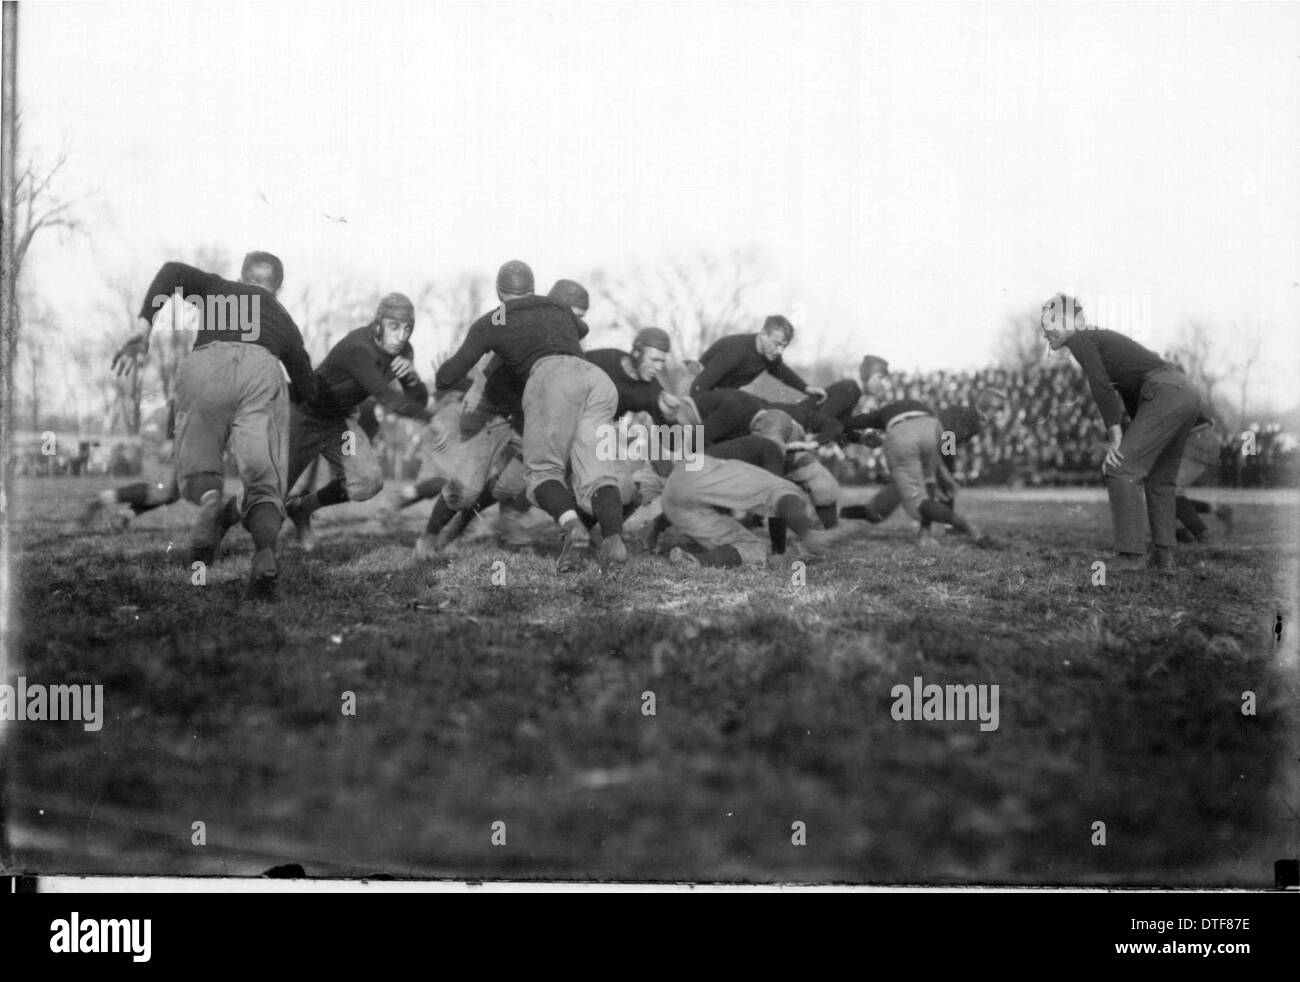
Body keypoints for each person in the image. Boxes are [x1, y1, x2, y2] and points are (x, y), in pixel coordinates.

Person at [120, 251, 316, 600]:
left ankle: (210, 497)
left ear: (242, 277)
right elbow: (307, 386)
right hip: (261, 371)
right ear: (279, 289)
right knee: (264, 483)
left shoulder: (217, 288)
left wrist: (144, 325)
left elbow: (171, 271)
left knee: (198, 467)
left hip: (205, 366)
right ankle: (265, 552)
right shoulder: (283, 318)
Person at [434, 261, 630, 568]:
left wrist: (444, 373)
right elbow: (581, 327)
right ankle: (614, 539)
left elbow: (448, 376)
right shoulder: (556, 310)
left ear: (499, 292)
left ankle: (571, 525)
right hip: (593, 380)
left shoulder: (495, 320)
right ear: (534, 288)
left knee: (541, 474)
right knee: (597, 474)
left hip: (549, 388)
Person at [1040, 293, 1202, 572]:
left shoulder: (1079, 338)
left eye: (1050, 325)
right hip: (1185, 393)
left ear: (1068, 321)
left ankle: (1130, 556)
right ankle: (1164, 559)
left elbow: (1100, 384)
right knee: (1160, 480)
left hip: (1164, 393)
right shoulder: (1101, 341)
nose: (1046, 334)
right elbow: (1134, 401)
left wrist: (1116, 438)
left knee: (1120, 469)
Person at [284, 293, 431, 550]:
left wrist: (412, 379)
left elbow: (418, 399)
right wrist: (433, 420)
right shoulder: (358, 348)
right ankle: (214, 531)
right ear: (378, 325)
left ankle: (301, 509)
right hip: (304, 416)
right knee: (270, 491)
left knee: (366, 482)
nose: (402, 336)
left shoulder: (404, 351)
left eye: (408, 328)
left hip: (338, 422)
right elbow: (388, 399)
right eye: (394, 327)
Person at [838, 356, 982, 544]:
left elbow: (854, 422)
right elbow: (946, 441)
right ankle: (926, 532)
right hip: (929, 432)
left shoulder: (884, 412)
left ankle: (958, 522)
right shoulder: (930, 410)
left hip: (903, 442)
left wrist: (830, 421)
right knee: (925, 483)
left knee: (902, 504)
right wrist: (948, 473)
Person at [690, 315, 827, 403]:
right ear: (763, 335)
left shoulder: (770, 354)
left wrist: (806, 388)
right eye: (777, 344)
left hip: (721, 393)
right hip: (697, 387)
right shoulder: (735, 351)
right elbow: (698, 387)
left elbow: (781, 371)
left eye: (783, 347)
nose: (779, 351)